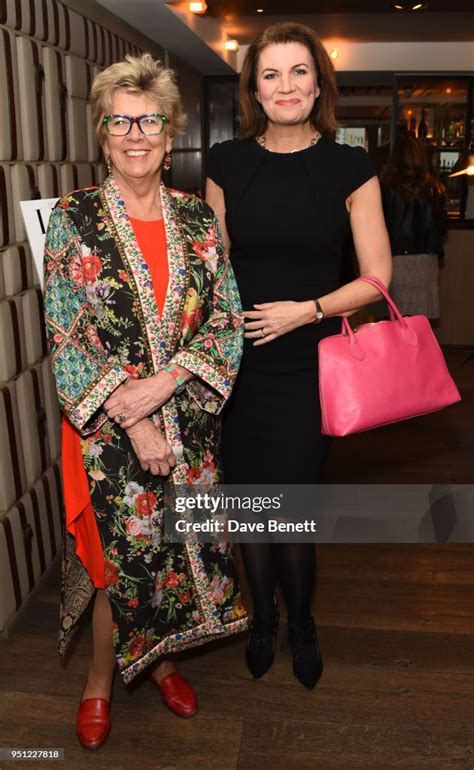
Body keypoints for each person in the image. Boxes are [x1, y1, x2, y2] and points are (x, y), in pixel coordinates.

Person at [43, 53, 247, 751]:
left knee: (170, 549)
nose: (135, 134)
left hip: (188, 423)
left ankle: (159, 662)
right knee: (114, 565)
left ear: (171, 134)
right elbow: (67, 333)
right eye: (120, 121)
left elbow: (224, 320)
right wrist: (131, 420)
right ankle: (100, 680)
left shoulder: (198, 221)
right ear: (103, 135)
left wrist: (165, 386)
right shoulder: (73, 219)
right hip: (104, 432)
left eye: (149, 120)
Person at [205, 22, 392, 690]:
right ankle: (263, 623)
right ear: (254, 89)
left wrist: (306, 310)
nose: (286, 86)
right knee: (251, 504)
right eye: (271, 75)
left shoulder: (350, 166)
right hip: (241, 367)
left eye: (299, 73)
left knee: (292, 507)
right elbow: (212, 270)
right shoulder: (225, 165)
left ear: (319, 85)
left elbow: (376, 278)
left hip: (314, 365)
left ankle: (303, 624)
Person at [380, 132, 448, 318]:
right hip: (427, 262)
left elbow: (379, 229)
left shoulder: (385, 189)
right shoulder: (436, 189)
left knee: (394, 324)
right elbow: (441, 228)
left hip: (395, 262)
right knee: (420, 325)